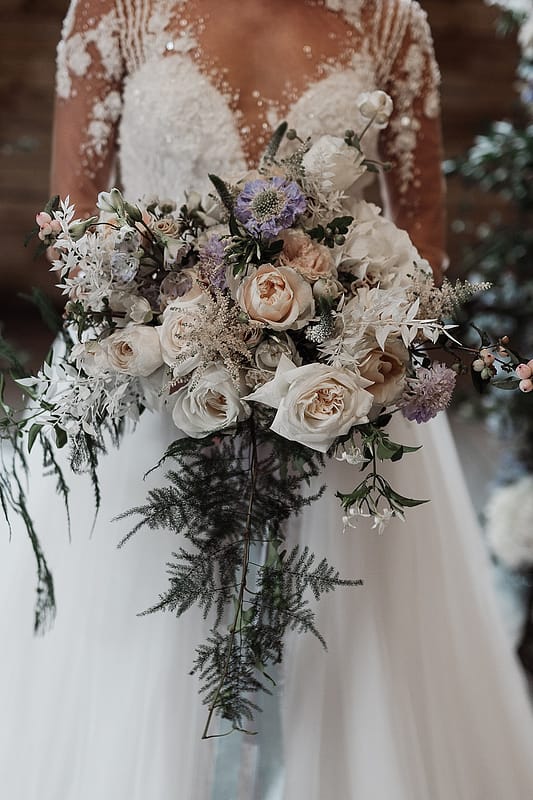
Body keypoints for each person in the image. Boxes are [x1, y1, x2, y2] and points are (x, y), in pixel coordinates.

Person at [1, 1, 532, 798]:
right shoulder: (114, 12)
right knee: (144, 665)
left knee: (346, 669)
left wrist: (335, 339)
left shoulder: (391, 22)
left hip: (339, 407)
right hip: (149, 398)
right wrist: (181, 343)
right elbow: (69, 229)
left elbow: (423, 241)